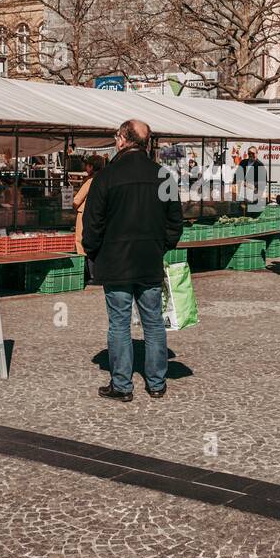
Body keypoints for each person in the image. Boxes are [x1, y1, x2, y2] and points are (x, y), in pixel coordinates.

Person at [82, 119, 183, 402]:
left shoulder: (105, 177)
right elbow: (175, 222)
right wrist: (160, 247)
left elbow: (92, 225)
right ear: (147, 143)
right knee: (153, 323)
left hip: (115, 262)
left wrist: (95, 253)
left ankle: (122, 385)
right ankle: (156, 383)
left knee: (119, 323)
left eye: (116, 136)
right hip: (149, 260)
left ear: (123, 140)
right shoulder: (163, 176)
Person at [74, 155, 105, 257]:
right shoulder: (104, 179)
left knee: (80, 240)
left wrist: (72, 205)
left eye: (87, 165)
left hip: (84, 213)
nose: (85, 168)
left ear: (91, 167)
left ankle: (83, 264)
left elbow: (77, 200)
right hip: (99, 214)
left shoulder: (90, 181)